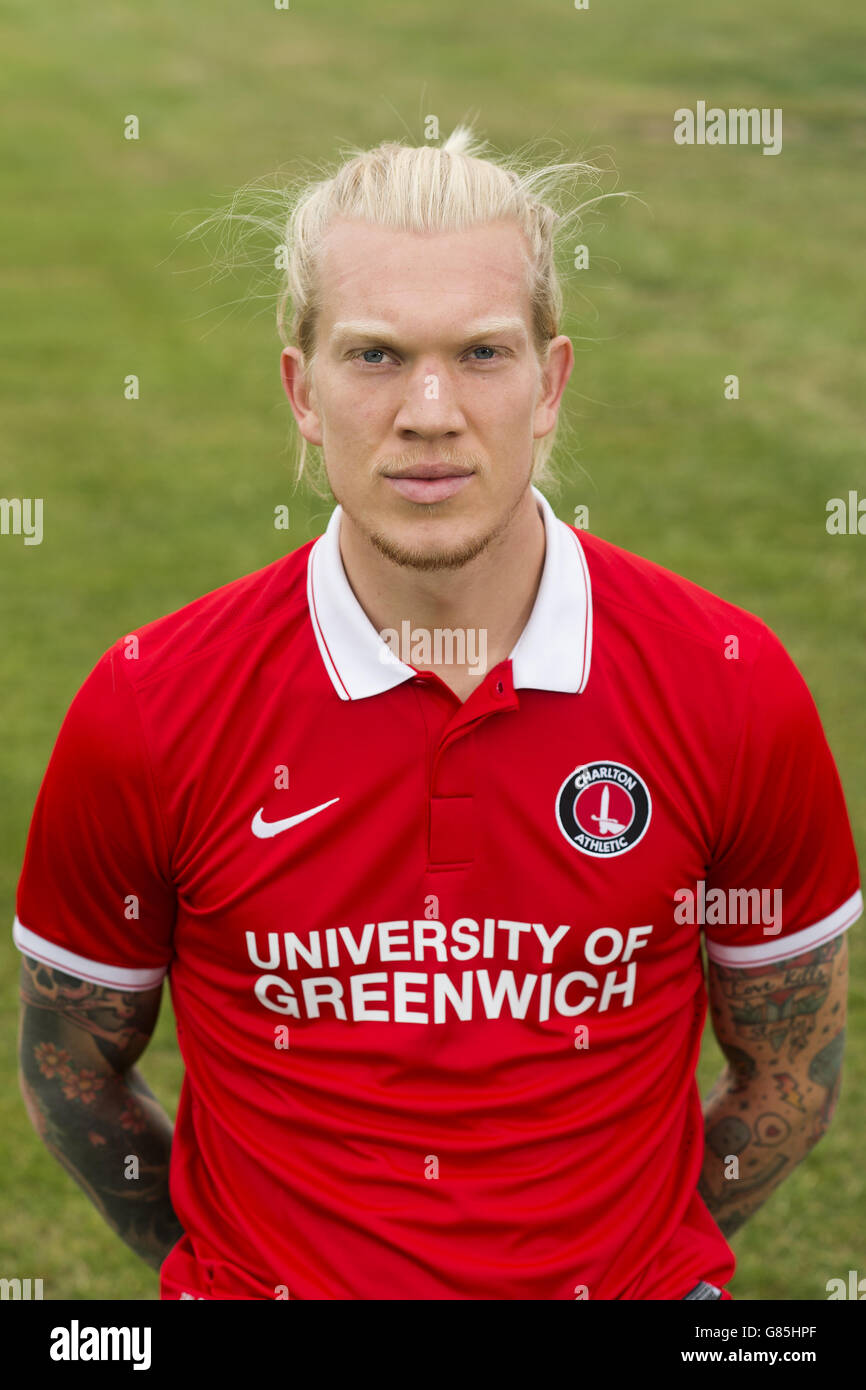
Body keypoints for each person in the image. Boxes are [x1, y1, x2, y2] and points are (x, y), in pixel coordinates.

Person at [14, 127, 861, 1300]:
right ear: (300, 391)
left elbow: (789, 1075)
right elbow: (72, 1077)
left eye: (478, 352)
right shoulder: (151, 703)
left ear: (549, 382)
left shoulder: (728, 681)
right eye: (372, 355)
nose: (427, 409)